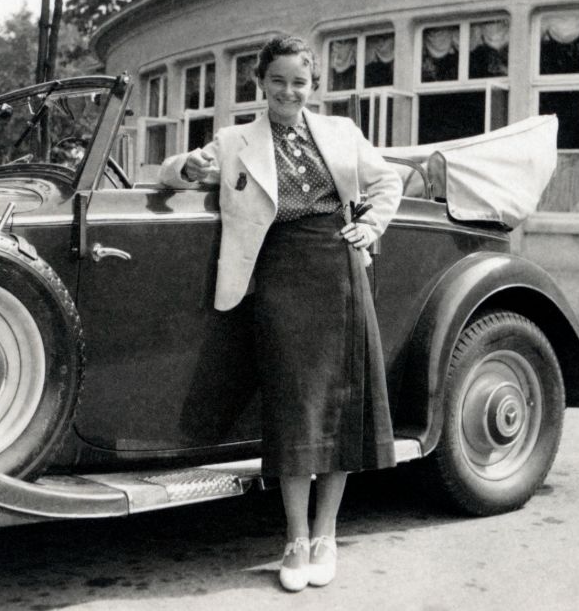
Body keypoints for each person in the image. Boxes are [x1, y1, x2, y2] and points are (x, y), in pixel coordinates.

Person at [159, 35, 402, 592]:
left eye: (299, 82)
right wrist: (190, 165)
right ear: (261, 84)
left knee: (340, 407)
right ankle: (294, 537)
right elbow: (172, 172)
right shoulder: (236, 139)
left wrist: (369, 226)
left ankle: (326, 534)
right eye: (278, 81)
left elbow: (389, 179)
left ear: (312, 86)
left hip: (338, 267)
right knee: (295, 407)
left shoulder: (341, 132)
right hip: (277, 275)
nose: (289, 91)